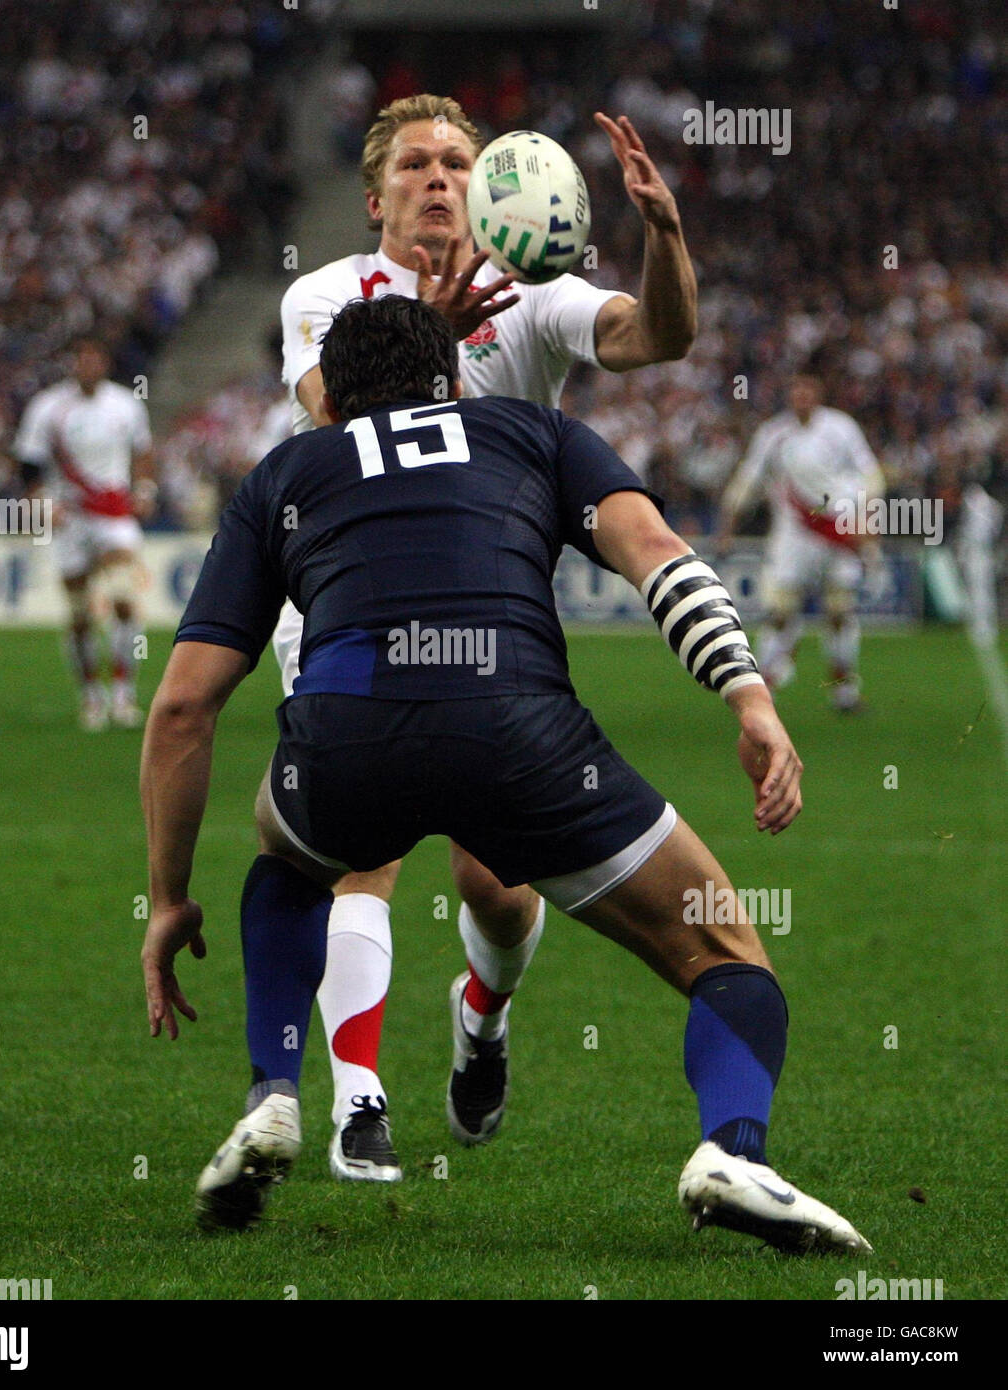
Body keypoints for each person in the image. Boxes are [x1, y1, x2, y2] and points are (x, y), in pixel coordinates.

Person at [139, 296, 871, 1255]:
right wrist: (748, 696)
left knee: (290, 856)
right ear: (451, 382)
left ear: (328, 402)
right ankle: (734, 1153)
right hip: (519, 736)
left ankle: (275, 1091)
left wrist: (167, 899)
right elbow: (657, 555)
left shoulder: (287, 469)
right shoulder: (531, 429)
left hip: (347, 742)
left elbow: (186, 707)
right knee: (726, 949)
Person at [274, 93, 698, 1180]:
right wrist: (431, 343)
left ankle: (484, 1019)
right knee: (359, 855)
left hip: (486, 620)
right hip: (347, 606)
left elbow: (658, 337)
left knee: (494, 884)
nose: (437, 177)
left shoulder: (537, 295)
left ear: (488, 181)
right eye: (414, 163)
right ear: (376, 197)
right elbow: (332, 419)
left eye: (456, 161)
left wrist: (665, 234)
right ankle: (358, 1099)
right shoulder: (324, 296)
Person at [715, 374, 885, 712]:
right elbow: (748, 479)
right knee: (779, 613)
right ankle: (763, 693)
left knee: (839, 612)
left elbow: (870, 474)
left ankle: (844, 692)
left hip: (836, 531)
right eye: (796, 390)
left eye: (808, 389)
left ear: (818, 393)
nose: (802, 396)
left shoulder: (841, 428)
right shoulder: (773, 433)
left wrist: (868, 516)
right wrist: (727, 526)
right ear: (790, 395)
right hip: (791, 537)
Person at [14, 337, 156, 730]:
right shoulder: (48, 407)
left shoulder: (126, 403)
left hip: (114, 513)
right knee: (79, 613)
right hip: (71, 518)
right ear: (72, 363)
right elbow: (29, 464)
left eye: (95, 358)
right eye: (82, 359)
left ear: (104, 362)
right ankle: (92, 695)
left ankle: (124, 693)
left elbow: (142, 452)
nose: (88, 365)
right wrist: (43, 504)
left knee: (124, 597)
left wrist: (145, 490)